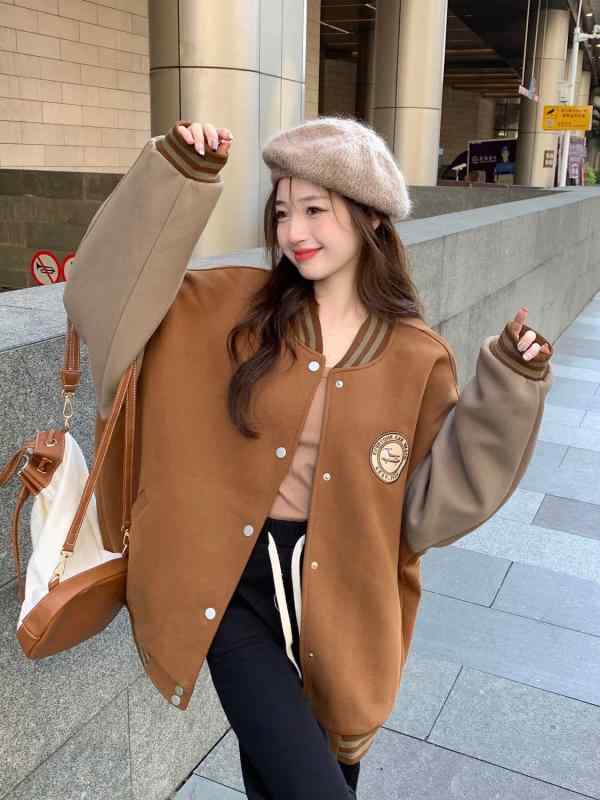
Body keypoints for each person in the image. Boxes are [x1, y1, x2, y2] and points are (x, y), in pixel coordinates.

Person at [63, 116, 554, 800]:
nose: (294, 231)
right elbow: (102, 298)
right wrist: (175, 175)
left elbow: (428, 510)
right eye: (283, 210)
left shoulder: (416, 356)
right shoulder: (224, 308)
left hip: (346, 599)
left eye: (316, 210)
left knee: (306, 775)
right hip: (230, 588)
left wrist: (509, 384)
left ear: (372, 217)